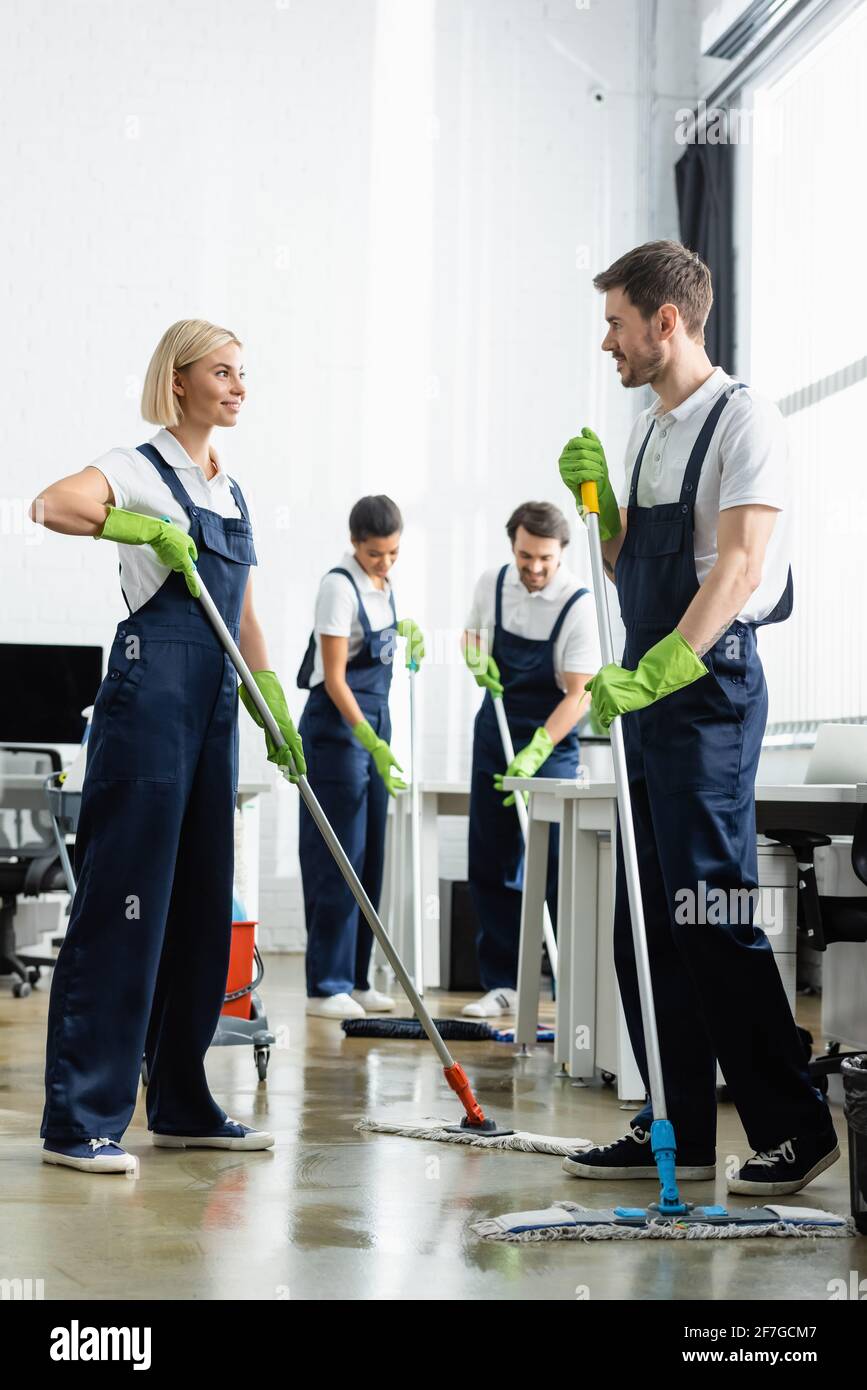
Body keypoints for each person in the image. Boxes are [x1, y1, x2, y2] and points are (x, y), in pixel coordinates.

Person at [558, 240, 838, 1197]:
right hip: (647, 685)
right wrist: (595, 509)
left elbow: (740, 568)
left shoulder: (742, 420)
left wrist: (667, 667)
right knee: (644, 921)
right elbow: (626, 570)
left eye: (615, 324)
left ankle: (797, 1128)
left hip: (707, 687)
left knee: (708, 910)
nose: (608, 343)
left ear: (664, 321)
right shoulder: (646, 431)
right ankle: (669, 1122)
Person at [31, 319, 306, 1173]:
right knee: (124, 906)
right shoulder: (138, 467)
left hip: (216, 704)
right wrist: (137, 530)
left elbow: (245, 610)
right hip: (149, 699)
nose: (237, 387)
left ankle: (182, 1101)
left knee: (197, 908)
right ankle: (81, 1122)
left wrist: (271, 702)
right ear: (178, 380)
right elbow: (50, 503)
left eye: (242, 373)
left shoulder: (229, 486)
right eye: (220, 372)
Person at [461, 501, 598, 1017]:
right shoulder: (492, 585)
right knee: (492, 860)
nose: (534, 569)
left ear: (560, 552)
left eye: (545, 558)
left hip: (552, 742)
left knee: (558, 865)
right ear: (512, 545)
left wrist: (538, 748)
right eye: (525, 557)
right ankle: (504, 985)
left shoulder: (578, 603)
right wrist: (476, 658)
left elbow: (580, 693)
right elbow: (472, 634)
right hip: (495, 732)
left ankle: (571, 990)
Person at [297, 496, 424, 1019]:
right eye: (376, 554)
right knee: (338, 857)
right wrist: (369, 740)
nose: (385, 563)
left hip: (375, 725)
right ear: (354, 543)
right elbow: (334, 678)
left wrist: (409, 641)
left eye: (393, 553)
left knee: (371, 854)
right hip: (336, 730)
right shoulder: (338, 587)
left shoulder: (384, 587)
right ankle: (326, 985)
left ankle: (356, 976)